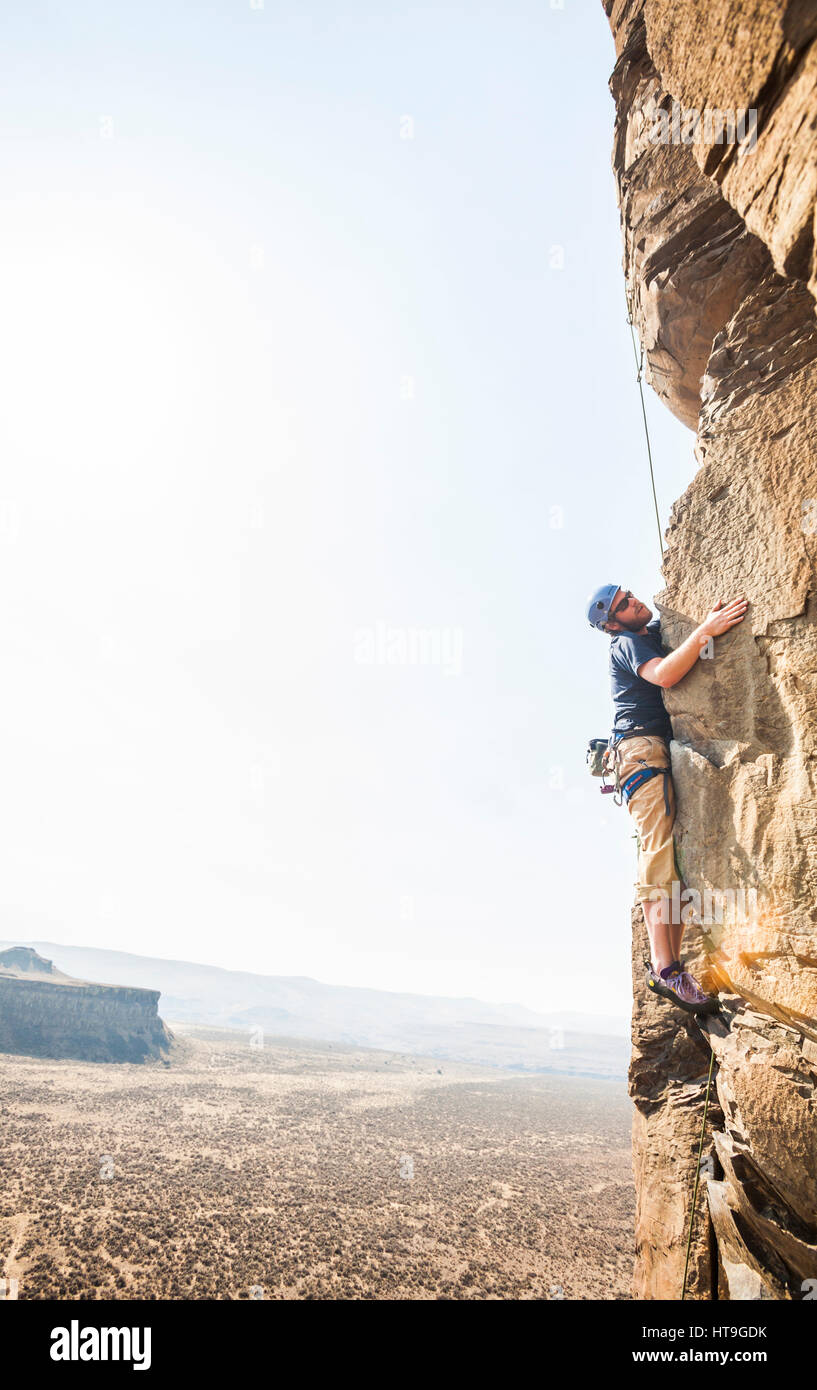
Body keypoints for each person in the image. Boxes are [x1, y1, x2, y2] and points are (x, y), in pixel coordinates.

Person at [586, 584, 748, 1015]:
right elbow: (665, 675)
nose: (635, 601)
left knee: (670, 863)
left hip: (651, 749)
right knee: (658, 854)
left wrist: (701, 621)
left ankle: (672, 967)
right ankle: (665, 968)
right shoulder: (627, 643)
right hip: (640, 752)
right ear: (612, 623)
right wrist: (706, 631)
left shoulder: (645, 633)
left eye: (631, 595)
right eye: (624, 604)